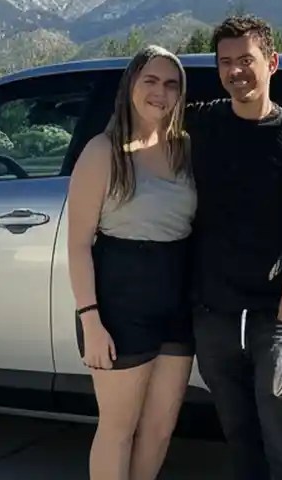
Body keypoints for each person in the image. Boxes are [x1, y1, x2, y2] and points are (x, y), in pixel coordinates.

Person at [185, 15, 282, 480]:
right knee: (239, 438)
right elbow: (142, 117)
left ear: (272, 63)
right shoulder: (203, 124)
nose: (235, 71)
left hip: (272, 318)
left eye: (246, 60)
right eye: (225, 62)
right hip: (214, 317)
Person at [66, 44, 198, 480]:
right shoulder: (103, 152)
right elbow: (79, 244)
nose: (161, 92)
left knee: (160, 429)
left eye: (171, 84)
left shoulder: (186, 150)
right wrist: (91, 319)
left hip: (177, 299)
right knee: (118, 428)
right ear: (131, 86)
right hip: (121, 301)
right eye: (151, 81)